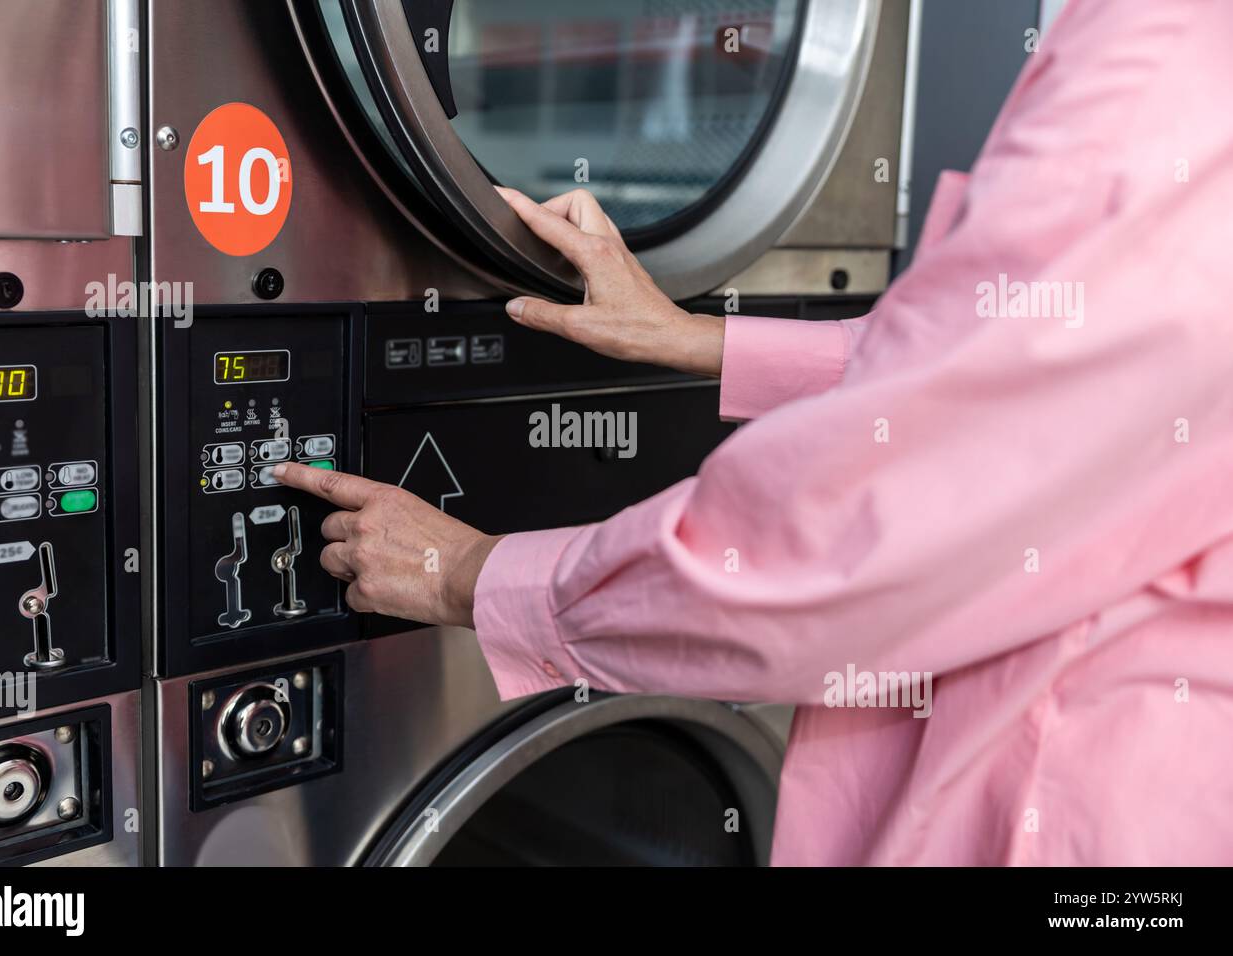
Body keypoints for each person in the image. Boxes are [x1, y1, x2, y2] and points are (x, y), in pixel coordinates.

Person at [277, 0, 1233, 864]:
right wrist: (696, 339)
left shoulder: (1167, 58)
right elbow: (1031, 391)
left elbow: (858, 544)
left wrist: (472, 576)